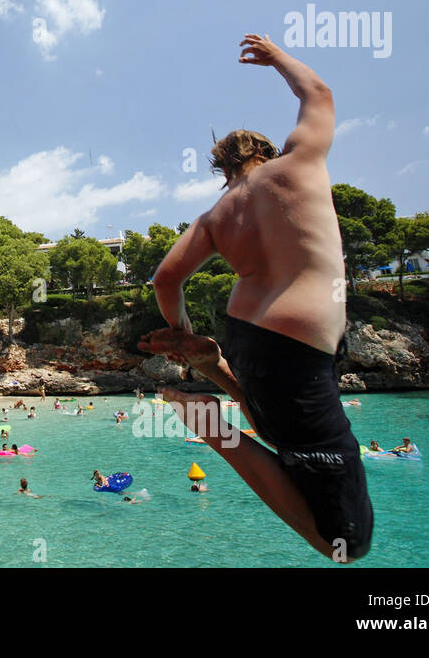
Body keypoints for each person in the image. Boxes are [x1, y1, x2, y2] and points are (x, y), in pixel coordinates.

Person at [137, 34, 372, 563]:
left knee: (277, 425)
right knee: (346, 545)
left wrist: (180, 332)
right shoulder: (299, 164)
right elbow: (319, 93)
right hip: (300, 343)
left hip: (249, 338)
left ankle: (217, 379)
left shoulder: (214, 219)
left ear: (222, 172)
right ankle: (210, 425)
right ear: (268, 152)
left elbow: (164, 280)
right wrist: (275, 58)